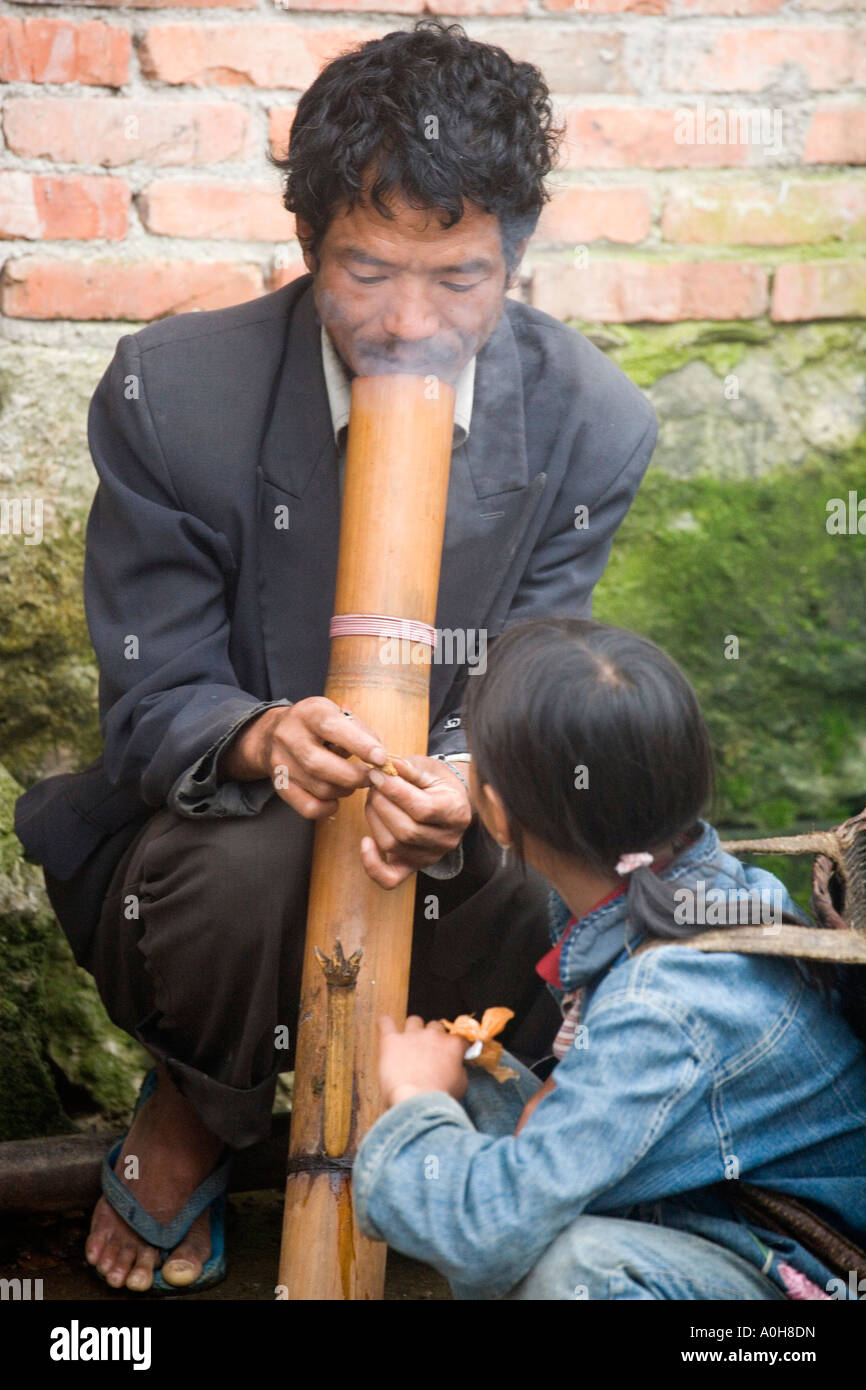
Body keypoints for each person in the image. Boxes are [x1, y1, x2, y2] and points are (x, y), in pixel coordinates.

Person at [13, 22, 659, 1291]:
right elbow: (150, 704)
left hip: (440, 844)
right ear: (306, 245)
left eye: (459, 279)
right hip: (230, 842)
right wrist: (261, 736)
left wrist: (468, 778)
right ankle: (202, 1100)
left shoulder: (594, 421)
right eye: (366, 270)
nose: (409, 320)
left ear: (513, 262)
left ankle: (428, 1105)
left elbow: (532, 678)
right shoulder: (171, 392)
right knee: (246, 859)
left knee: (560, 885)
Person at [354, 617, 866, 1300]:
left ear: (498, 816)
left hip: (801, 1273)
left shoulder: (667, 1003)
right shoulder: (708, 892)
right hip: (714, 1214)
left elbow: (486, 1226)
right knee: (474, 1082)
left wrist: (417, 1101)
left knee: (578, 1277)